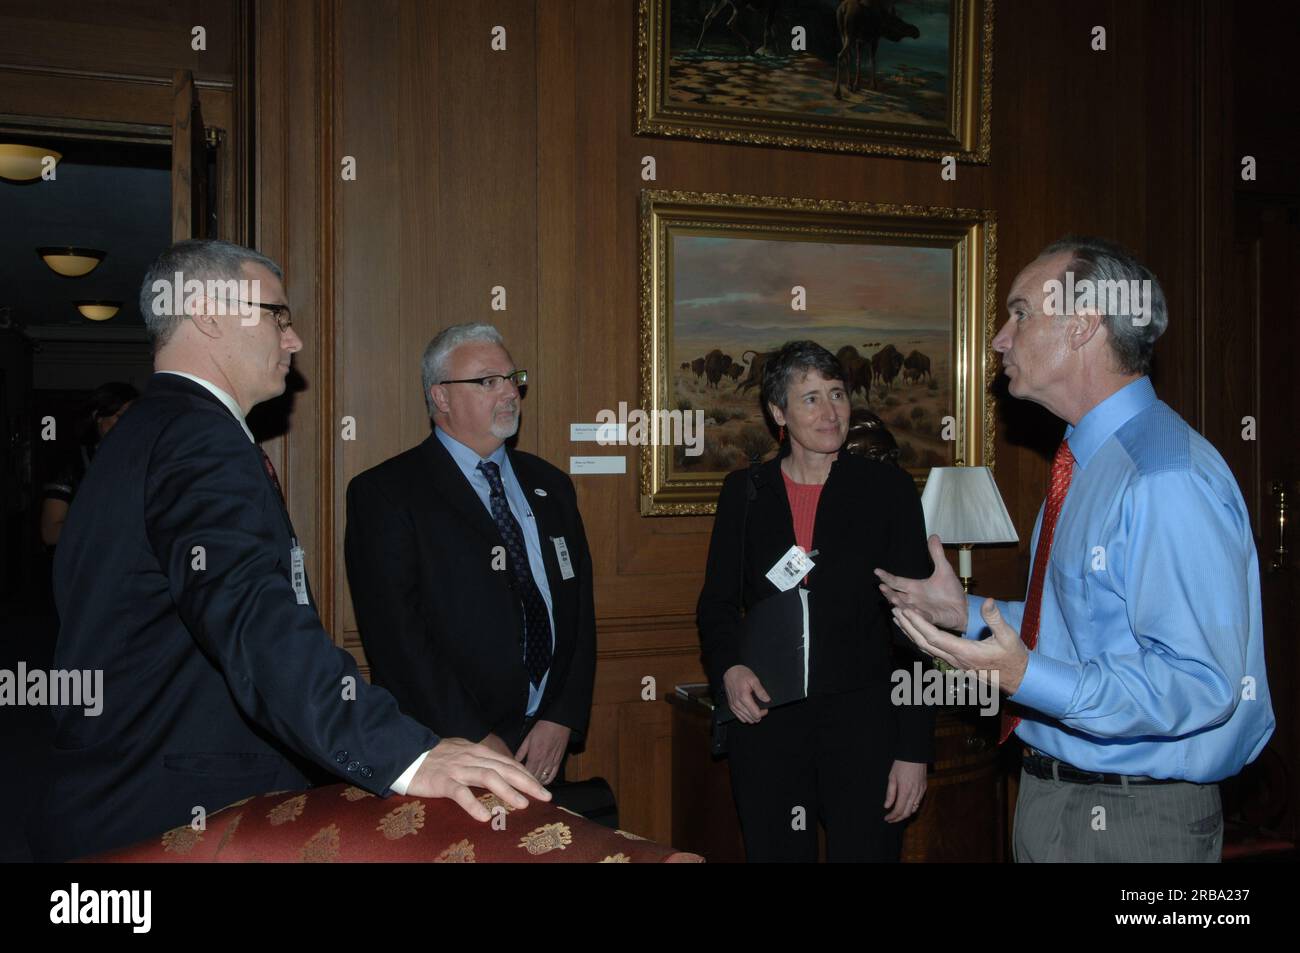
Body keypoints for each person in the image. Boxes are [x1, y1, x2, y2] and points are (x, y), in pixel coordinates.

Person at [29, 240, 547, 862]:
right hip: (176, 810)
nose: (293, 338)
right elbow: (250, 614)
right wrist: (405, 753)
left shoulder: (146, 433)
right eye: (276, 314)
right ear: (208, 314)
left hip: (117, 792)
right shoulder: (199, 437)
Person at [879, 236, 1274, 862]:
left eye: (1021, 313)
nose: (1000, 339)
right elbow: (1080, 633)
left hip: (1138, 820)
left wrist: (1027, 677)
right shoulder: (1086, 464)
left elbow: (1200, 684)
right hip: (1053, 796)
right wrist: (970, 613)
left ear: (1085, 323)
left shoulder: (1162, 477)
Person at [697, 340, 934, 862]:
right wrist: (729, 670)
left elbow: (919, 629)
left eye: (838, 394)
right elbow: (715, 605)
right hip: (767, 725)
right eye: (810, 399)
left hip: (865, 728)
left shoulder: (888, 491)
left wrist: (914, 751)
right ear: (778, 412)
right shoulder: (745, 492)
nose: (830, 412)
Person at [345, 323, 595, 789]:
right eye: (487, 381)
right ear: (440, 397)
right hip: (445, 747)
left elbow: (579, 611)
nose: (509, 393)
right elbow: (397, 638)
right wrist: (474, 736)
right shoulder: (386, 493)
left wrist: (562, 716)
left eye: (512, 378)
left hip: (542, 739)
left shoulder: (552, 486)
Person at [39, 381, 138, 548]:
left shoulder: (141, 461)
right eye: (120, 417)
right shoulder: (72, 462)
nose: (129, 425)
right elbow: (50, 532)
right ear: (98, 417)